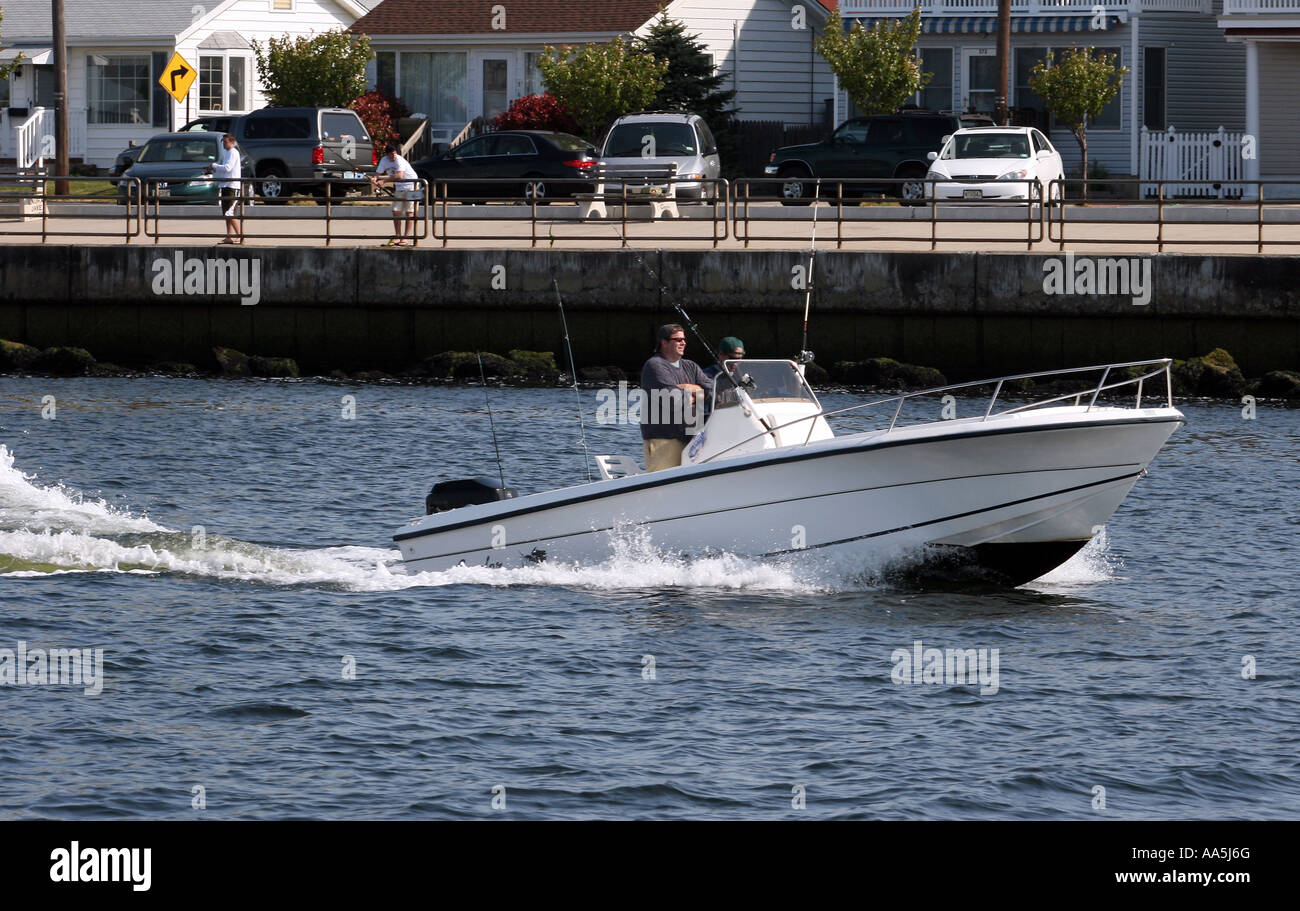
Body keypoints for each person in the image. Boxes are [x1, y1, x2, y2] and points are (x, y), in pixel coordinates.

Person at [640, 324, 714, 472]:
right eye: (678, 339)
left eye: (684, 339)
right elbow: (674, 401)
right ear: (664, 343)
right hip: (665, 442)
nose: (683, 343)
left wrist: (692, 389)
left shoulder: (691, 366)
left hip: (693, 441)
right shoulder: (655, 366)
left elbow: (714, 391)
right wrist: (700, 394)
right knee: (662, 489)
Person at [370, 142, 420, 247]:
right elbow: (378, 173)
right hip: (400, 187)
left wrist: (383, 181)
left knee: (409, 212)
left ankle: (405, 238)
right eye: (391, 154)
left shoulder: (399, 160)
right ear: (387, 155)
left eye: (394, 153)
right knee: (396, 211)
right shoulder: (384, 160)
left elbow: (399, 175)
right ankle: (398, 236)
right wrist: (374, 179)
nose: (393, 156)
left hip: (412, 185)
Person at [208, 133, 242, 245]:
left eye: (226, 142)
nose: (224, 144)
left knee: (229, 213)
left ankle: (240, 236)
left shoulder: (233, 152)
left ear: (232, 142)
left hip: (232, 186)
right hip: (225, 185)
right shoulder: (228, 153)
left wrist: (215, 166)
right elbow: (225, 169)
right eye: (223, 142)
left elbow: (227, 168)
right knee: (226, 213)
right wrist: (214, 168)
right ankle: (229, 236)